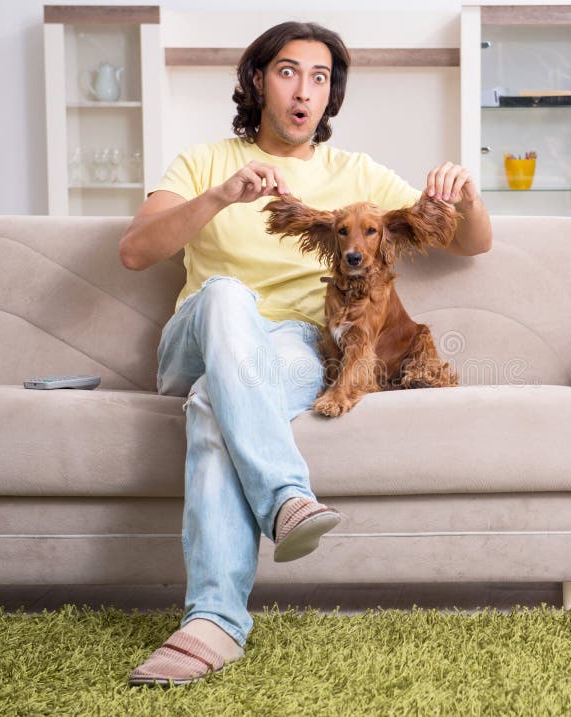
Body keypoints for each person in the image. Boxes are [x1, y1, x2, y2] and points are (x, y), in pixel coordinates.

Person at [121, 20, 492, 686]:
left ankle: (212, 624)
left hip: (292, 346)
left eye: (319, 78)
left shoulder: (355, 174)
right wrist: (220, 195)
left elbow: (472, 243)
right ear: (258, 80)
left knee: (213, 404)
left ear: (329, 96)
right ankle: (286, 496)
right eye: (289, 72)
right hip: (200, 334)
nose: (303, 91)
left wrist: (468, 193)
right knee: (227, 294)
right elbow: (135, 250)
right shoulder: (204, 161)